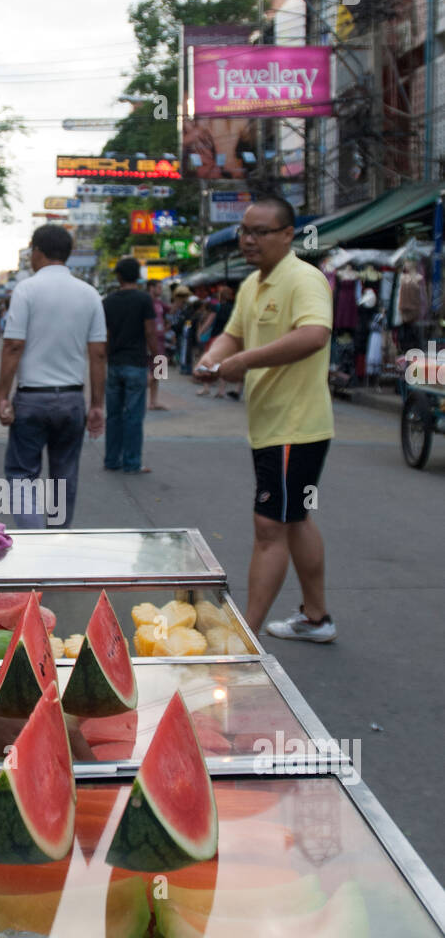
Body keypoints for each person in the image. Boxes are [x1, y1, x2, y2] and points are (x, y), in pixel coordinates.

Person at [194, 197, 335, 642]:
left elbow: (314, 335)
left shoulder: (303, 278)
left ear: (289, 234)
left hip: (295, 425)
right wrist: (212, 358)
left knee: (269, 525)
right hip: (274, 426)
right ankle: (316, 618)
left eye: (260, 232)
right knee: (295, 519)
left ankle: (245, 636)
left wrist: (246, 363)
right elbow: (232, 334)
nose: (248, 240)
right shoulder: (255, 284)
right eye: (244, 231)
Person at [0, 224, 106, 528]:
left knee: (22, 475)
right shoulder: (89, 294)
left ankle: (34, 546)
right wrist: (97, 404)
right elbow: (98, 354)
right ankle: (58, 544)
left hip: (32, 399)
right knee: (64, 477)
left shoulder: (26, 289)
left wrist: (2, 395)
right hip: (71, 398)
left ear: (37, 251)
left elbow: (13, 345)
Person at [102, 257, 161, 473]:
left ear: (118, 276)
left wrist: (108, 359)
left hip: (114, 365)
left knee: (114, 415)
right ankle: (132, 462)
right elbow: (151, 333)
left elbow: (105, 336)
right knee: (134, 416)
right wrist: (159, 364)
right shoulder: (143, 299)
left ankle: (111, 460)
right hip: (136, 364)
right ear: (138, 276)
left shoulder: (108, 301)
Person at [146, 280, 169, 410]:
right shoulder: (145, 302)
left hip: (160, 340)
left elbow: (171, 312)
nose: (161, 290)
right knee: (153, 371)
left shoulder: (159, 303)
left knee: (159, 371)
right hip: (150, 340)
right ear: (151, 288)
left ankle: (153, 402)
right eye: (159, 287)